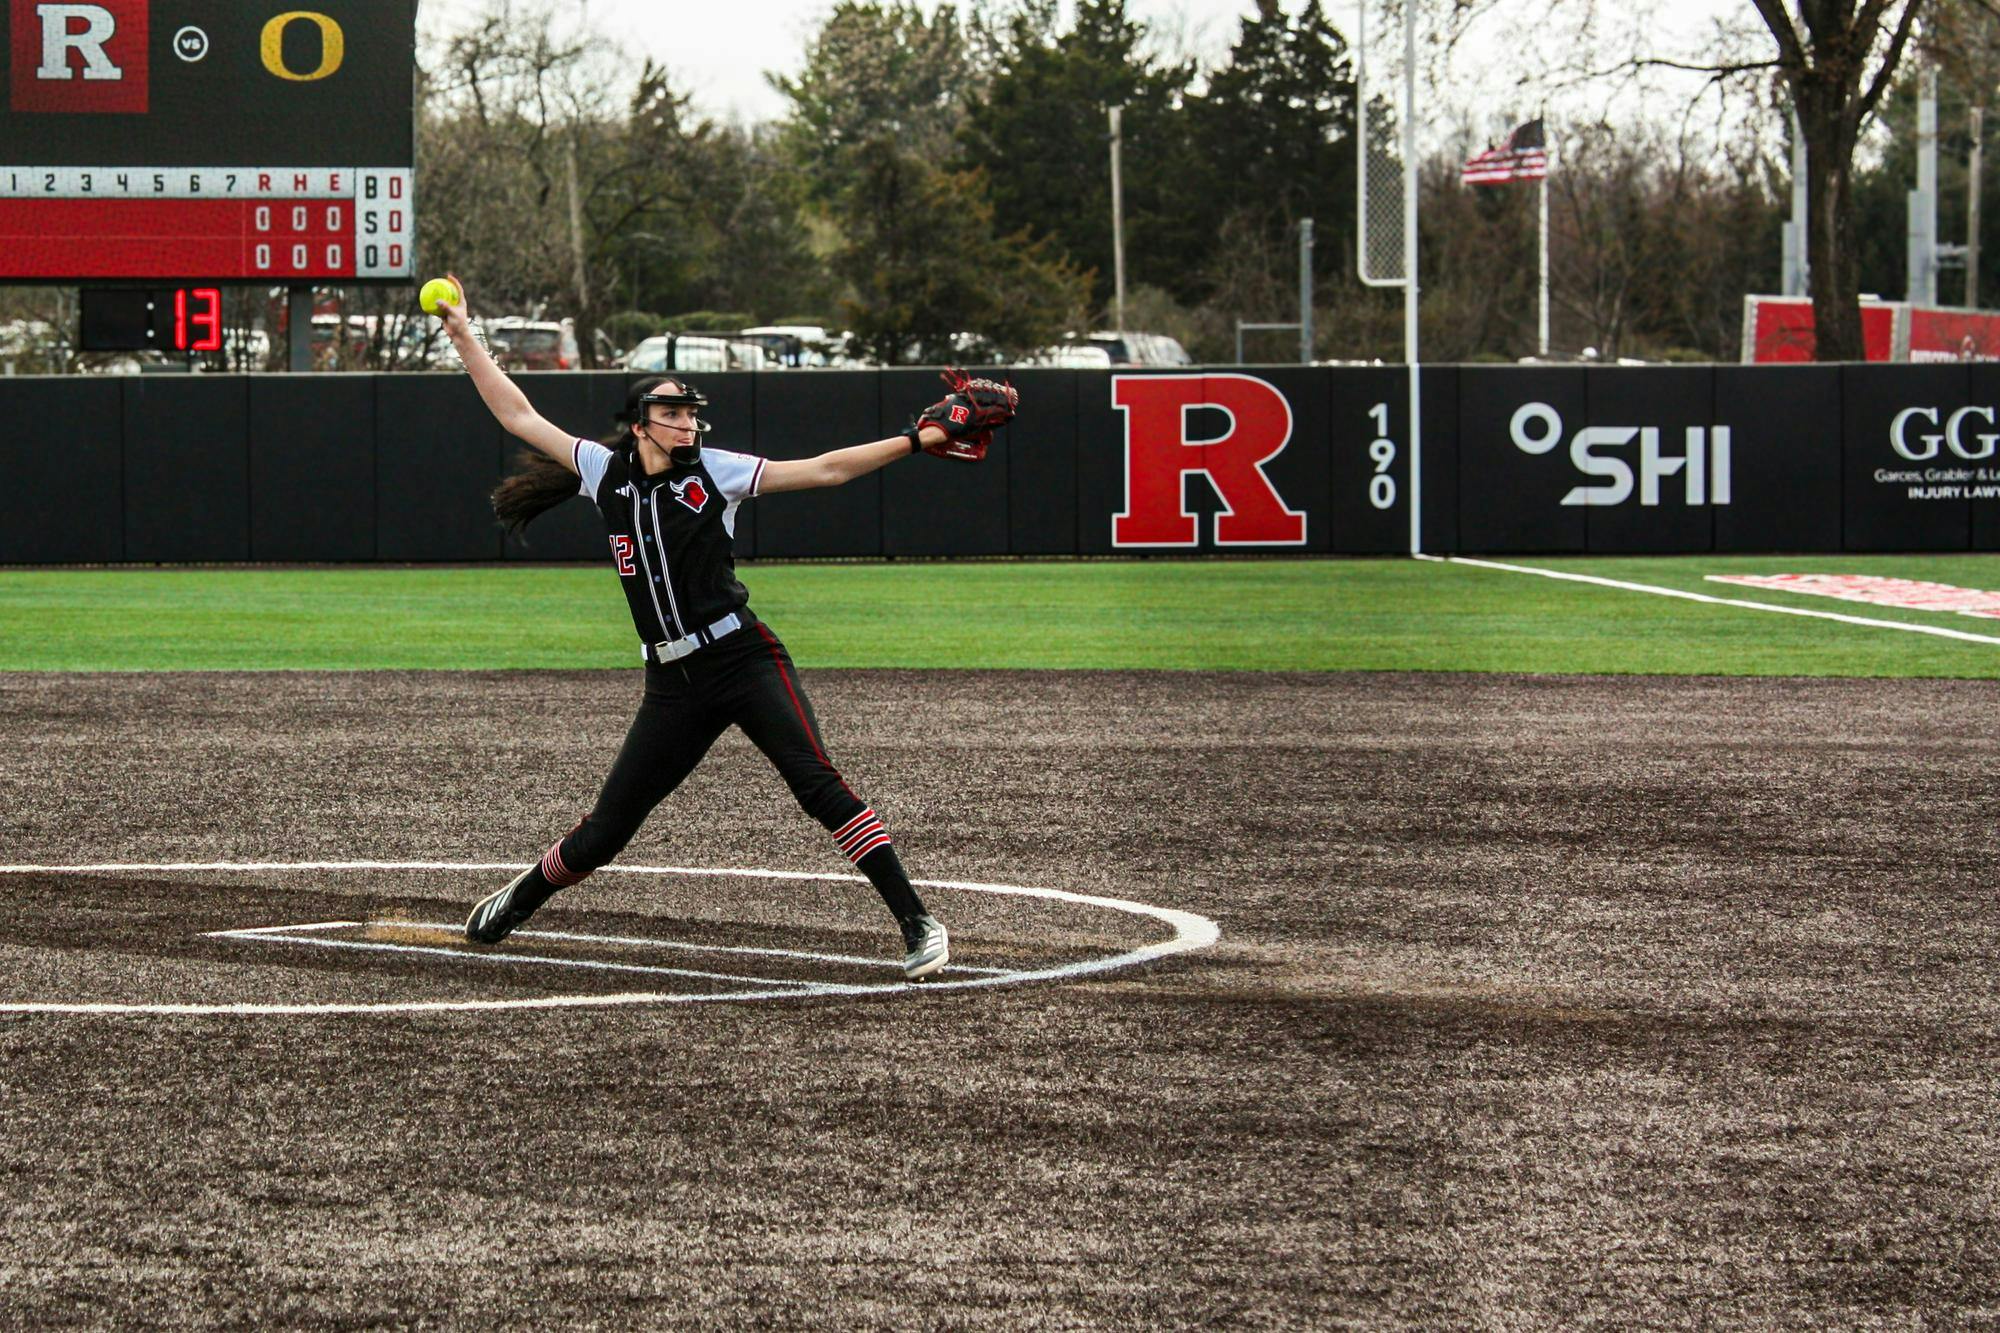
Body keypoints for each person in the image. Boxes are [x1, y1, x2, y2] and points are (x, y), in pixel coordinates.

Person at [432, 276, 953, 980]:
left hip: (743, 657)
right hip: (672, 683)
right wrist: (464, 333)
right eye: (672, 413)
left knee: (816, 783)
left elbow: (828, 471)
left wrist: (917, 440)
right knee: (606, 830)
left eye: (690, 413)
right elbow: (518, 414)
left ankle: (918, 920)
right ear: (641, 423)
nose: (687, 424)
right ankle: (520, 898)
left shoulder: (719, 471)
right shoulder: (603, 471)